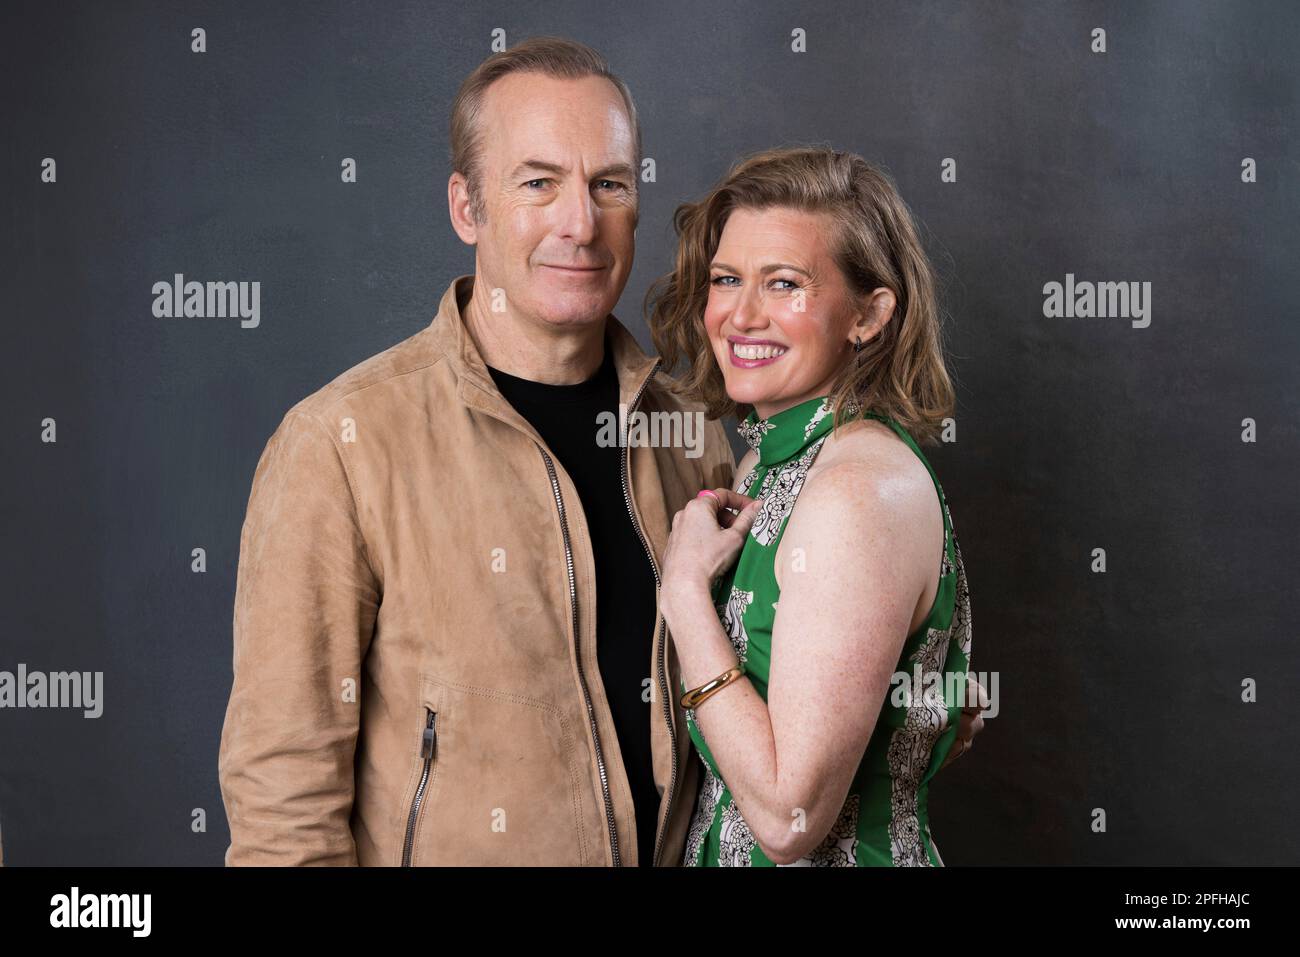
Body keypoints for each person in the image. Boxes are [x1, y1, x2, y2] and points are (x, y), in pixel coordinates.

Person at [218, 37, 983, 867]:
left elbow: (781, 685)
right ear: (466, 207)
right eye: (538, 182)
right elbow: (282, 802)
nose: (579, 224)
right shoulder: (341, 447)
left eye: (608, 185)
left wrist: (911, 690)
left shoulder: (692, 438)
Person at [650, 146, 977, 866]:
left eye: (785, 284)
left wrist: (683, 596)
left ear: (868, 314)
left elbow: (789, 817)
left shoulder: (856, 491)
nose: (740, 314)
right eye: (727, 279)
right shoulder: (775, 454)